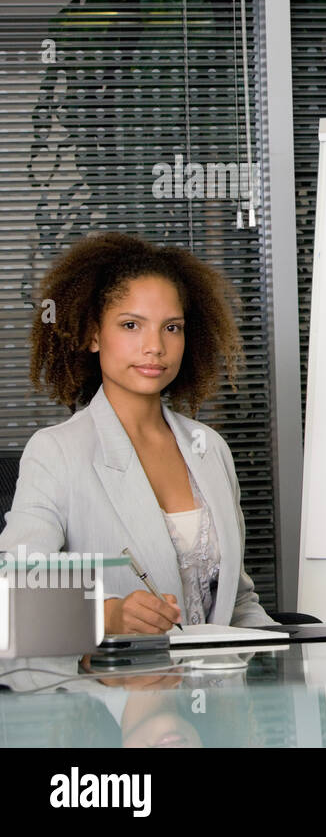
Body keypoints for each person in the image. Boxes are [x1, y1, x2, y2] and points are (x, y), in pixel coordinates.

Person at [1, 232, 274, 634]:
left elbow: (238, 602)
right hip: (126, 689)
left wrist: (282, 661)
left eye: (172, 328)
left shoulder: (209, 448)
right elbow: (12, 594)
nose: (155, 347)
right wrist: (106, 616)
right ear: (94, 335)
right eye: (131, 325)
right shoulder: (57, 451)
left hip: (222, 688)